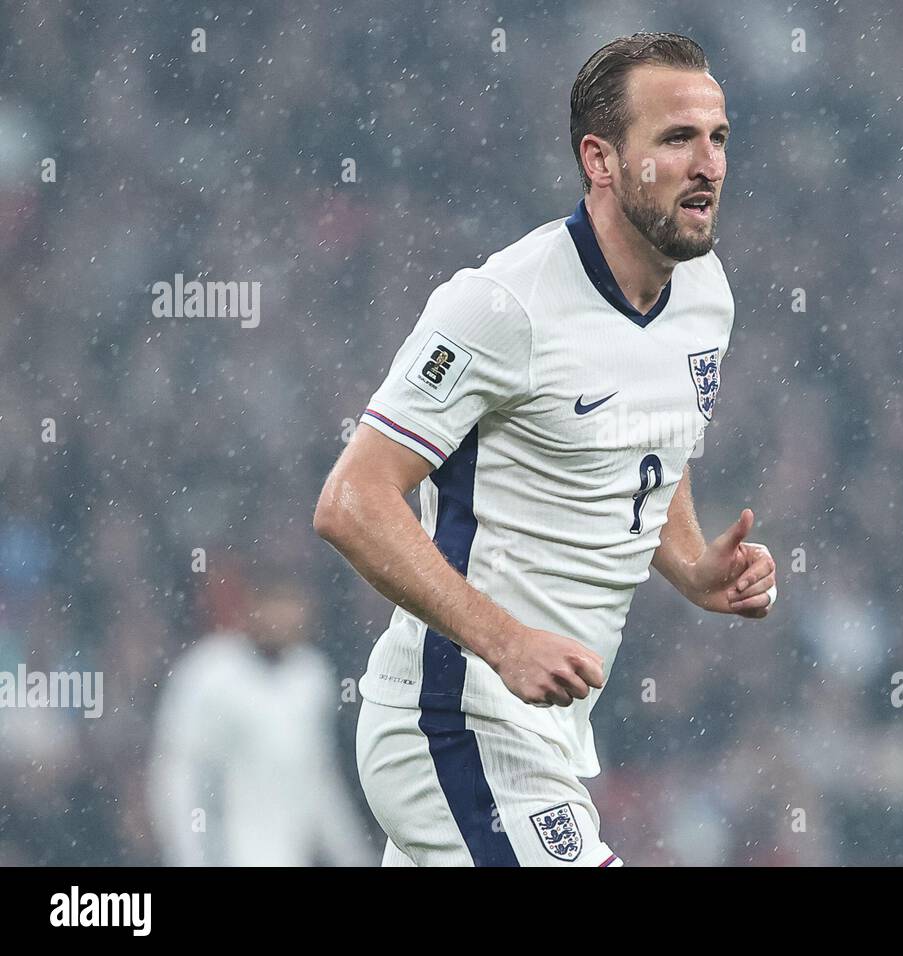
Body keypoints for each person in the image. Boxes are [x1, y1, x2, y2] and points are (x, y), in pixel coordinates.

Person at [314, 32, 776, 867]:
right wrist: (505, 641)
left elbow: (652, 442)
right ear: (600, 159)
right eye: (677, 139)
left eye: (719, 137)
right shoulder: (502, 305)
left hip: (552, 738)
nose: (708, 163)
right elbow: (352, 503)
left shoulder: (706, 294)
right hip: (452, 722)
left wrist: (693, 565)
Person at [149, 574, 372, 866]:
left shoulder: (311, 678)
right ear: (252, 606)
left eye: (294, 605)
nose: (286, 616)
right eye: (276, 603)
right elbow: (180, 776)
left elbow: (319, 782)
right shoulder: (209, 673)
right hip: (229, 853)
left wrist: (353, 858)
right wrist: (190, 856)